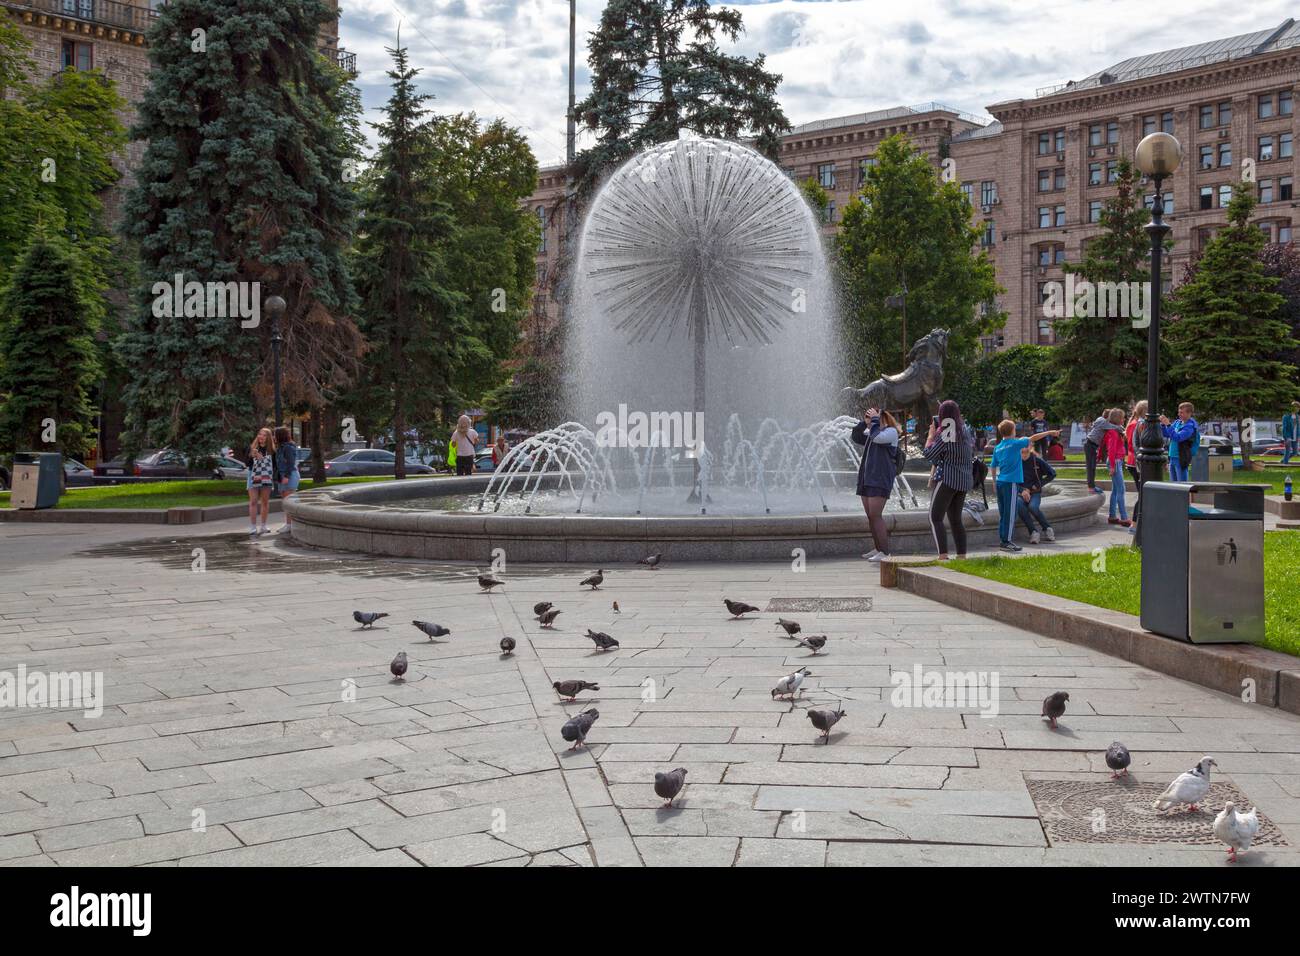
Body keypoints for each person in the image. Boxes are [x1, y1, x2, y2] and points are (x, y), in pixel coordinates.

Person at [992, 419, 1059, 552]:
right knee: (1010, 514)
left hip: (1000, 482)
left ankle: (1003, 540)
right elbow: (1034, 437)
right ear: (1012, 431)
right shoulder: (1015, 444)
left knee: (1003, 513)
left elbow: (993, 466)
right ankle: (1007, 542)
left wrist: (994, 482)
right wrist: (1050, 432)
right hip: (1010, 483)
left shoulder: (997, 447)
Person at [922, 399, 974, 560]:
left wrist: (931, 436)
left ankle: (943, 555)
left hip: (948, 479)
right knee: (955, 520)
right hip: (963, 480)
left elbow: (929, 454)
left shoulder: (948, 431)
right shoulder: (964, 430)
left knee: (935, 517)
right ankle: (961, 555)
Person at [851, 407, 899, 562]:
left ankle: (885, 552)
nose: (873, 421)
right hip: (867, 478)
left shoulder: (891, 432)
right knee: (870, 516)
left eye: (876, 418)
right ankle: (878, 548)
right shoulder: (872, 431)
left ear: (883, 419)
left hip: (880, 479)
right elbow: (857, 436)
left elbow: (877, 437)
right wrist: (864, 423)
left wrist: (875, 421)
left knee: (875, 515)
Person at [1015, 443, 1057, 544]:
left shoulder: (1037, 461)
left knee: (1033, 507)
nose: (1024, 452)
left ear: (1030, 447)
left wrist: (1038, 485)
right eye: (1022, 450)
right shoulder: (1015, 462)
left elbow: (1052, 474)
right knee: (1019, 505)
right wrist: (1022, 490)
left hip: (1034, 493)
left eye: (1026, 448)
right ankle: (1033, 532)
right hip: (1020, 493)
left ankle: (1047, 528)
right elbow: (1011, 481)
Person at [1104, 407, 1131, 526]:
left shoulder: (1116, 431)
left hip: (1116, 461)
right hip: (1115, 461)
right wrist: (1112, 466)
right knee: (1121, 489)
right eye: (1122, 417)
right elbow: (1111, 449)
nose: (1124, 419)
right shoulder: (1113, 432)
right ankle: (1124, 518)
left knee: (1115, 490)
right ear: (1117, 419)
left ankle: (1112, 516)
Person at [1084, 409, 1121, 494]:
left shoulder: (1101, 420)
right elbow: (1114, 427)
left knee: (1092, 467)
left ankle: (1092, 486)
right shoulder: (1103, 421)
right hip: (1090, 444)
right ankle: (1091, 487)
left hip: (1092, 445)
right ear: (1108, 417)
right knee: (1090, 467)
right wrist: (1122, 429)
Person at [1160, 401, 1199, 482]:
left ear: (1189, 413)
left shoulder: (1190, 427)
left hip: (1181, 458)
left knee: (1181, 484)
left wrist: (1168, 425)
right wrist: (1163, 424)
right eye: (1179, 412)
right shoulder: (1178, 422)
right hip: (1172, 456)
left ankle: (1184, 495)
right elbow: (1167, 434)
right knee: (1173, 484)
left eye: (1181, 412)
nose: (1179, 414)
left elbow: (1178, 437)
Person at [1124, 401, 1147, 531]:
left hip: (1136, 462)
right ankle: (1134, 524)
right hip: (1135, 463)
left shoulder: (1137, 423)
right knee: (1143, 495)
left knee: (1144, 494)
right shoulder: (1136, 424)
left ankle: (1139, 523)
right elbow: (1134, 444)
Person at [247, 427, 274, 536]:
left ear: (268, 437)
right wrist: (252, 456)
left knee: (265, 501)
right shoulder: (252, 448)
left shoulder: (272, 450)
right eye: (259, 434)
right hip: (253, 476)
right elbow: (247, 464)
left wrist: (261, 458)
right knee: (253, 501)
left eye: (264, 435)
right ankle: (253, 526)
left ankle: (263, 525)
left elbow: (274, 465)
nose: (261, 437)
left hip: (266, 477)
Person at [273, 426, 299, 533]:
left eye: (275, 435)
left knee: (289, 501)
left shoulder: (288, 447)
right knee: (286, 502)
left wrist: (287, 477)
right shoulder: (280, 448)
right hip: (283, 475)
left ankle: (290, 525)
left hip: (289, 475)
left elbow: (291, 463)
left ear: (279, 436)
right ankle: (288, 524)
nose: (273, 437)